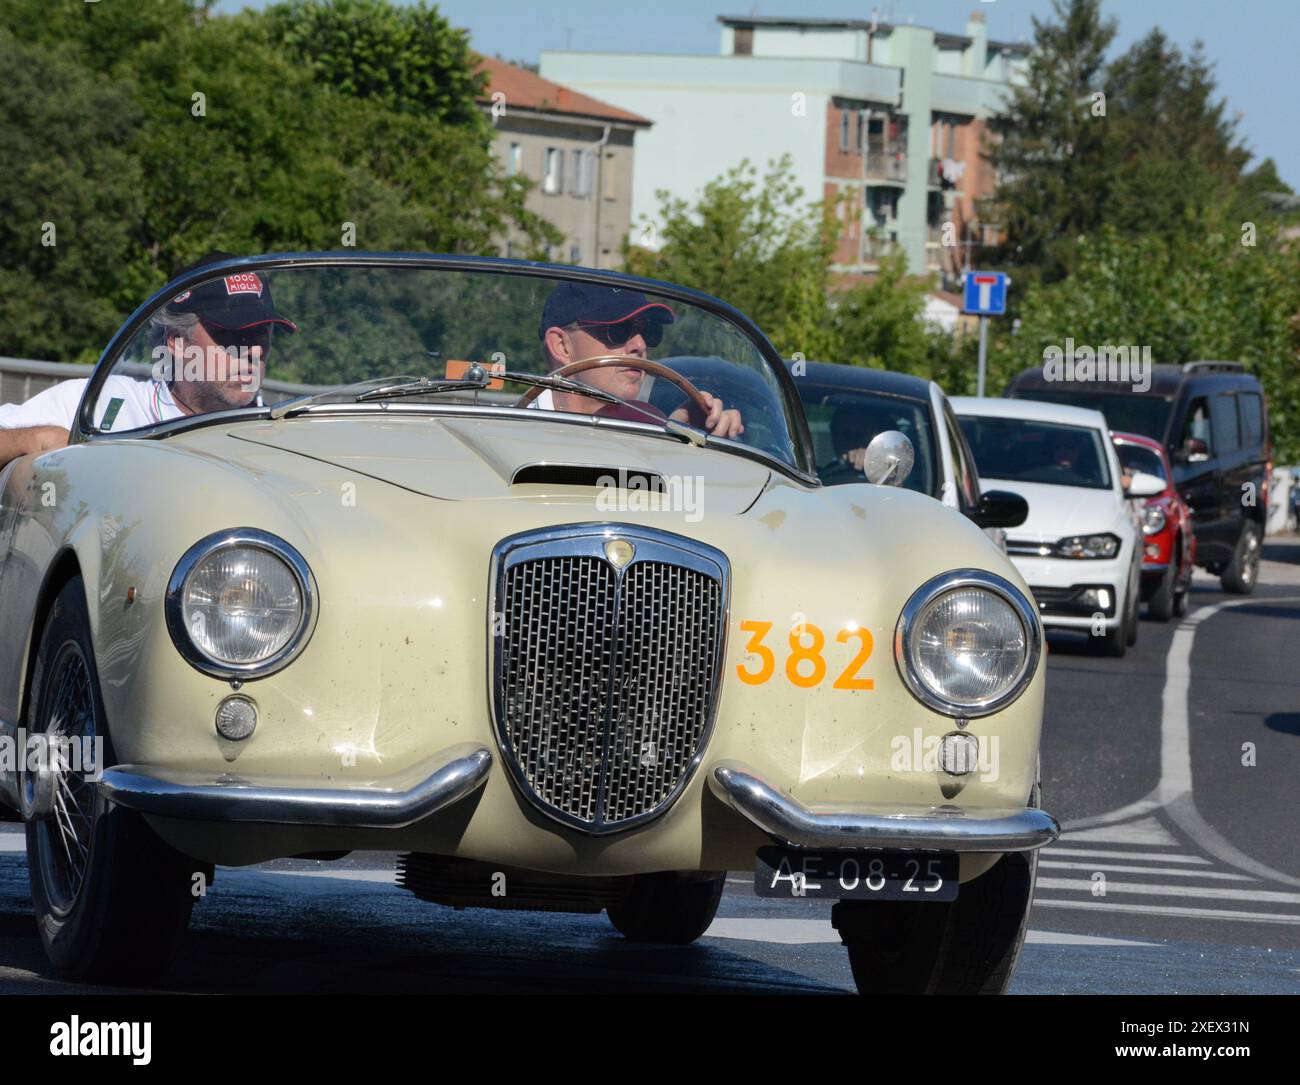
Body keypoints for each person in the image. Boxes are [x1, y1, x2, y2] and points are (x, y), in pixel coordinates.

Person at [0, 252, 296, 469]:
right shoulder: (104, 404)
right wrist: (34, 439)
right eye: (233, 334)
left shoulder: (289, 437)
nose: (254, 352)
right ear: (177, 342)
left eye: (262, 334)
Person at [534, 282, 744, 438]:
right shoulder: (506, 432)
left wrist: (685, 435)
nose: (640, 345)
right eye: (618, 329)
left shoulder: (651, 430)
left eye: (649, 331)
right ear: (562, 346)